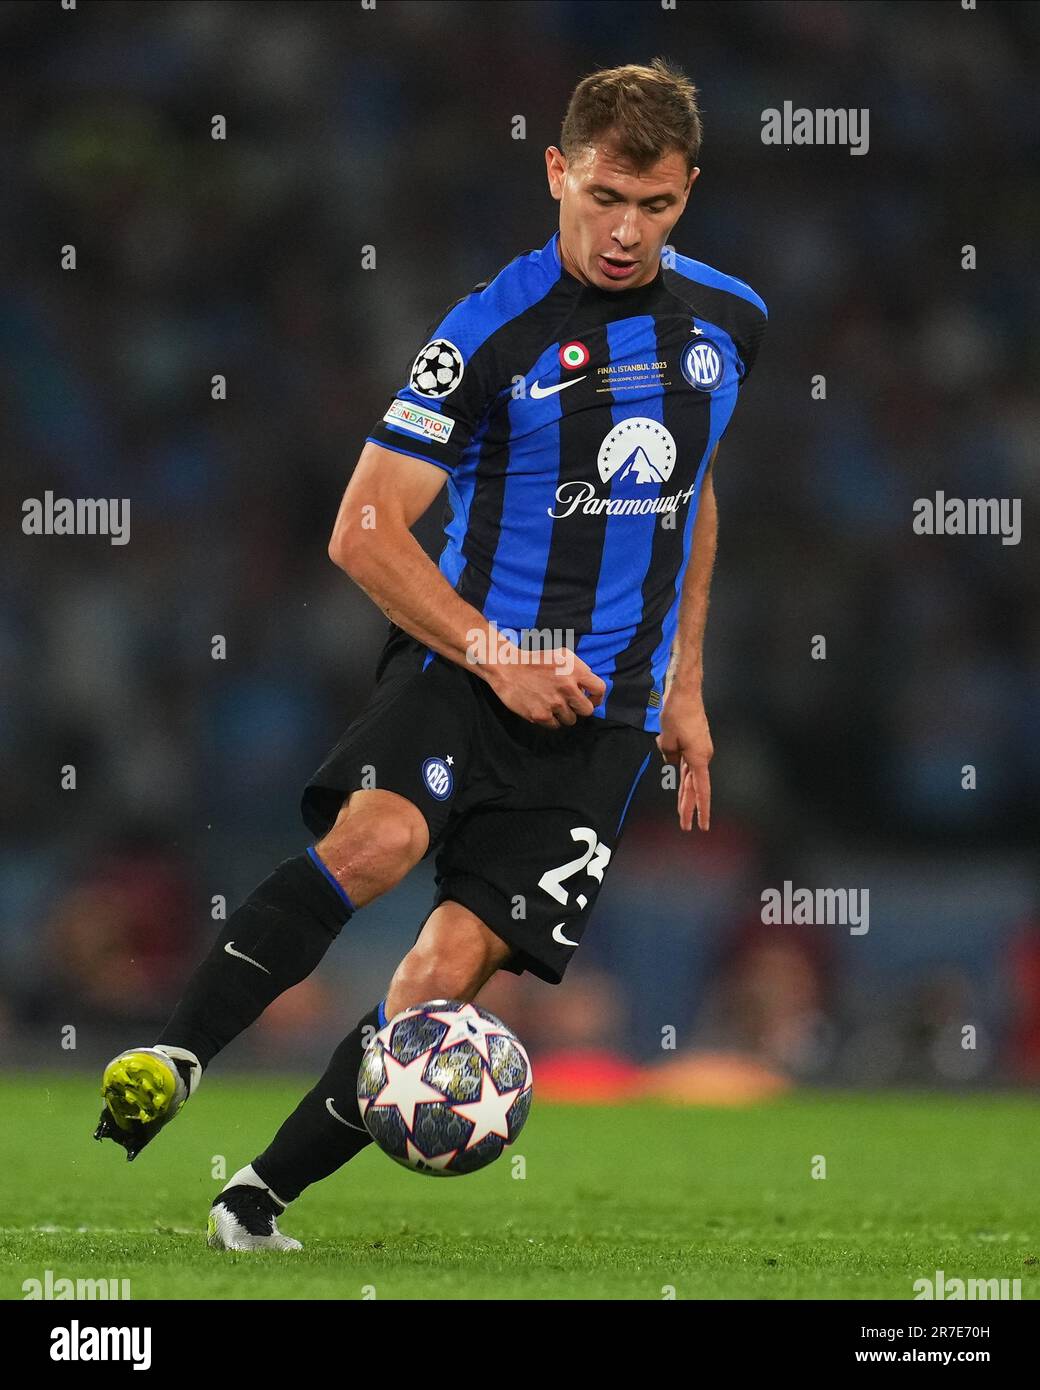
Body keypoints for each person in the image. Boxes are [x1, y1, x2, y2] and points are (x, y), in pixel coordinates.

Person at [94, 57, 767, 1250]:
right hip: (464, 663)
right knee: (378, 835)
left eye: (654, 206)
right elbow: (362, 526)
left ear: (687, 193)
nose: (623, 231)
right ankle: (176, 1050)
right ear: (556, 171)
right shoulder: (488, 332)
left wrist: (685, 679)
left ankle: (255, 1197)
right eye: (603, 195)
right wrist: (497, 652)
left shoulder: (727, 323)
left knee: (441, 973)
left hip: (603, 716)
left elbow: (691, 486)